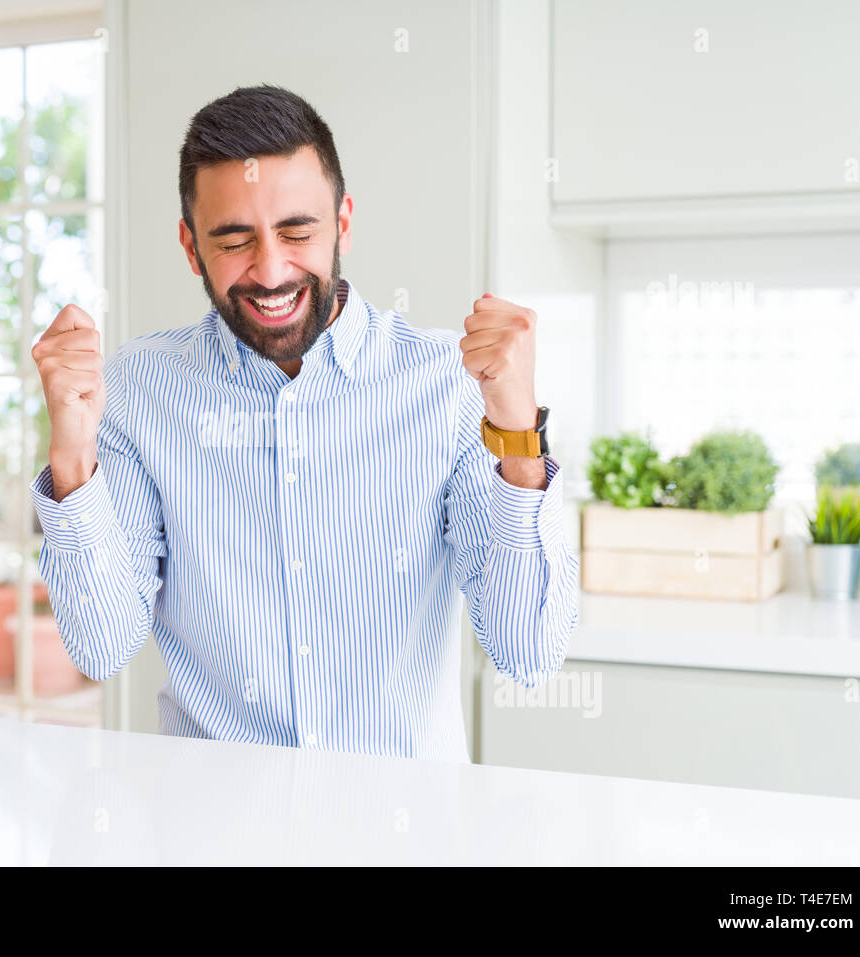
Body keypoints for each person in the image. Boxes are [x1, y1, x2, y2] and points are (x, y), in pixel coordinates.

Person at [29, 84, 578, 762]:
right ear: (191, 246)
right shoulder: (140, 390)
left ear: (343, 222)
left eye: (297, 231)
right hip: (214, 827)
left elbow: (529, 652)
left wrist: (519, 435)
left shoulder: (448, 384)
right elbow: (102, 643)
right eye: (234, 239)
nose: (271, 269)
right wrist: (72, 459)